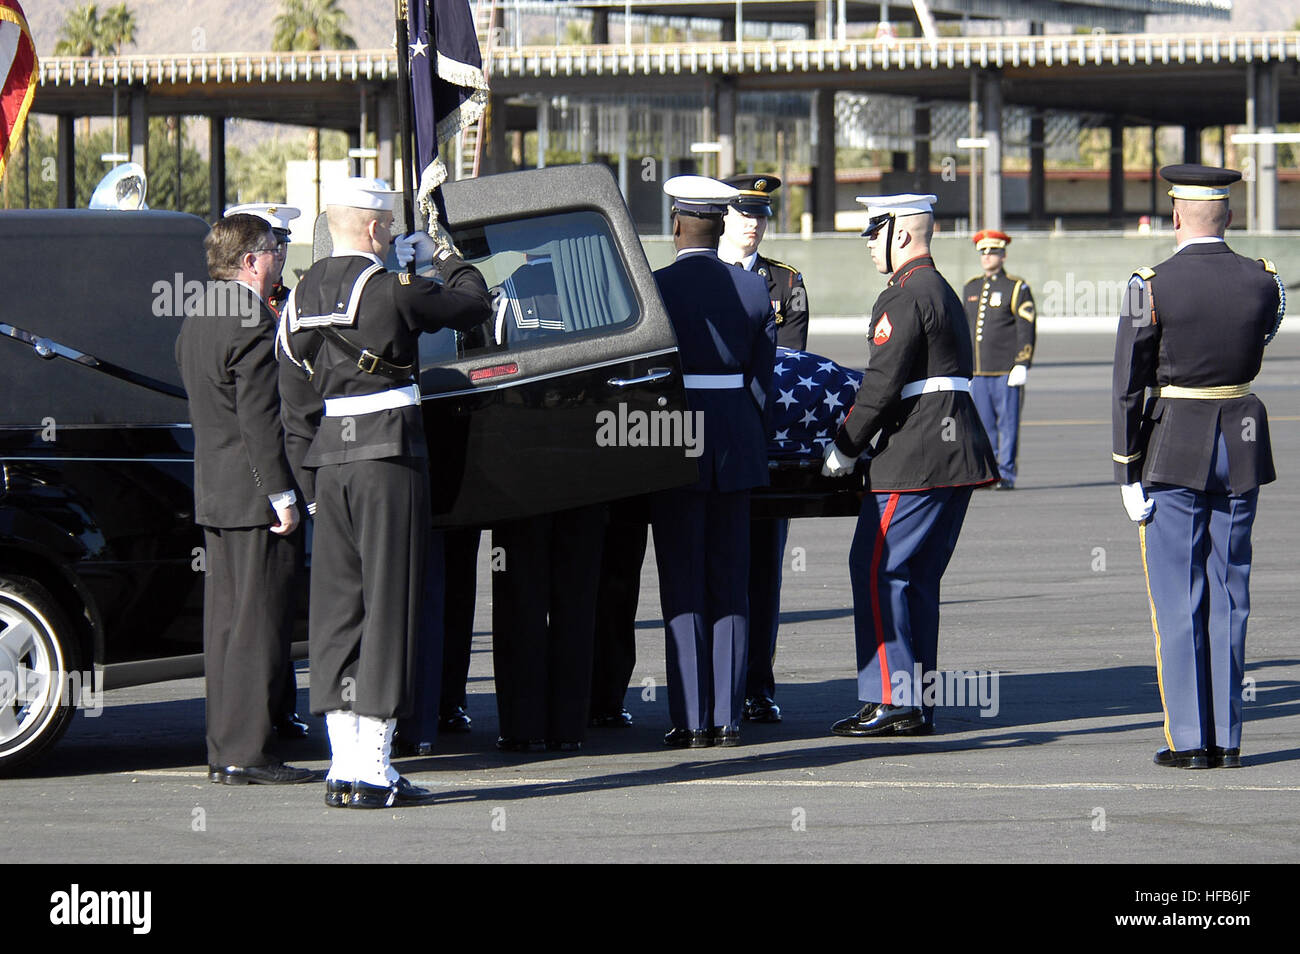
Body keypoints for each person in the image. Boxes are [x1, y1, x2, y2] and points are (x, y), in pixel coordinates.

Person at [277, 177, 491, 808]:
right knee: (391, 606)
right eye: (392, 226)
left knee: (338, 614)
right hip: (388, 455)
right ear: (371, 229)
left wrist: (311, 486)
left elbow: (292, 405)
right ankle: (374, 767)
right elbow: (470, 304)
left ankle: (343, 767)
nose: (397, 234)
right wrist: (447, 252)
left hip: (329, 465)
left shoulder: (297, 299)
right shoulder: (387, 287)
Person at [1112, 164, 1283, 770]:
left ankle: (1191, 740)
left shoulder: (1149, 284)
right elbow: (1259, 339)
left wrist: (1126, 471)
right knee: (1230, 590)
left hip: (1174, 446)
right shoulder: (1264, 280)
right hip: (1239, 437)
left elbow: (1129, 386)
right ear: (1229, 216)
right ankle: (1231, 739)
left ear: (1177, 215)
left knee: (1179, 597)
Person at [822, 194, 997, 737]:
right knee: (916, 579)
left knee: (877, 570)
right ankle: (915, 701)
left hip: (915, 456)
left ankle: (890, 699)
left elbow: (880, 386)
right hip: (955, 454)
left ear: (899, 234)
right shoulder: (941, 289)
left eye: (873, 234)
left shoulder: (901, 296)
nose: (870, 245)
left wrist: (845, 447)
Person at [175, 213, 314, 786]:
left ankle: (225, 748)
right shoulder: (251, 321)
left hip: (216, 489)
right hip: (254, 494)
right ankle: (249, 753)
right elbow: (260, 421)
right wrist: (282, 494)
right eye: (275, 253)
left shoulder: (199, 316)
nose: (280, 261)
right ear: (253, 261)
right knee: (259, 626)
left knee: (228, 627)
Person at [651, 175, 776, 748]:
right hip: (736, 441)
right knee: (731, 583)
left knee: (683, 582)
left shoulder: (653, 289)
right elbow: (762, 381)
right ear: (721, 222)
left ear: (676, 224)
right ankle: (728, 717)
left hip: (675, 441)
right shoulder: (754, 291)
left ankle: (690, 718)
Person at [489, 254, 607, 753]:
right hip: (586, 456)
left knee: (519, 599)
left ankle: (521, 725)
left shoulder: (503, 294)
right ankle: (568, 724)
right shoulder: (600, 285)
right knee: (576, 599)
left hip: (520, 462)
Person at [720, 173, 809, 725]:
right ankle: (713, 686)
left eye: (762, 214)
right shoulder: (698, 275)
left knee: (762, 577)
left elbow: (790, 367)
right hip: (709, 443)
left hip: (765, 447)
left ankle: (756, 685)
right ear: (721, 217)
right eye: (743, 213)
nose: (754, 223)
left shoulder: (785, 283)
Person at [222, 202, 309, 740]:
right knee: (258, 610)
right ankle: (258, 727)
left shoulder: (279, 302)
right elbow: (256, 410)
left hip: (270, 468)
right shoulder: (245, 314)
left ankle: (280, 706)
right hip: (259, 477)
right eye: (274, 241)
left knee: (278, 605)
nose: (281, 250)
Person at [963, 229, 1035, 490]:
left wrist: (1022, 362)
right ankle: (988, 472)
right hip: (979, 371)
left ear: (1003, 255)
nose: (986, 256)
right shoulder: (971, 287)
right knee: (983, 426)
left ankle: (1006, 473)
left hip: (1006, 369)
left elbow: (1025, 327)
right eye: (983, 252)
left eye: (992, 251)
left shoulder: (1015, 287)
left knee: (1008, 425)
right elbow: (966, 330)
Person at [225, 203, 300, 316]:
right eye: (270, 247)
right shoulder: (223, 305)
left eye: (281, 245)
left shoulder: (296, 305)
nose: (278, 255)